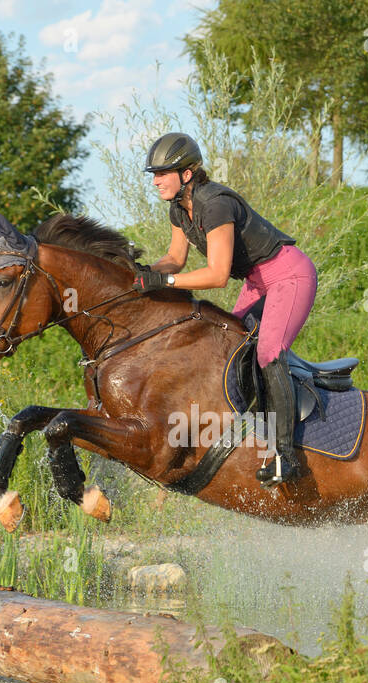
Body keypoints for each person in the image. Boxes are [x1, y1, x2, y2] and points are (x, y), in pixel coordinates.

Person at [131, 132, 318, 487]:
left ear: (186, 174)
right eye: (153, 174)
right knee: (230, 347)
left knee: (267, 352)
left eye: (162, 173)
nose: (155, 181)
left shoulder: (214, 203)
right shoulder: (177, 209)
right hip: (256, 280)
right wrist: (142, 274)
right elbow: (174, 258)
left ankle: (286, 455)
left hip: (289, 275)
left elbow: (217, 276)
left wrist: (166, 284)